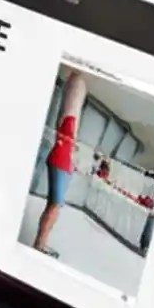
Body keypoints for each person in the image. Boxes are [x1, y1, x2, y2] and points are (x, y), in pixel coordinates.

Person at [35, 70, 88, 258]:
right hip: (60, 161)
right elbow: (69, 132)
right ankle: (40, 243)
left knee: (55, 205)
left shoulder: (67, 124)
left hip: (62, 161)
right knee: (54, 205)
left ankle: (41, 242)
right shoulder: (69, 121)